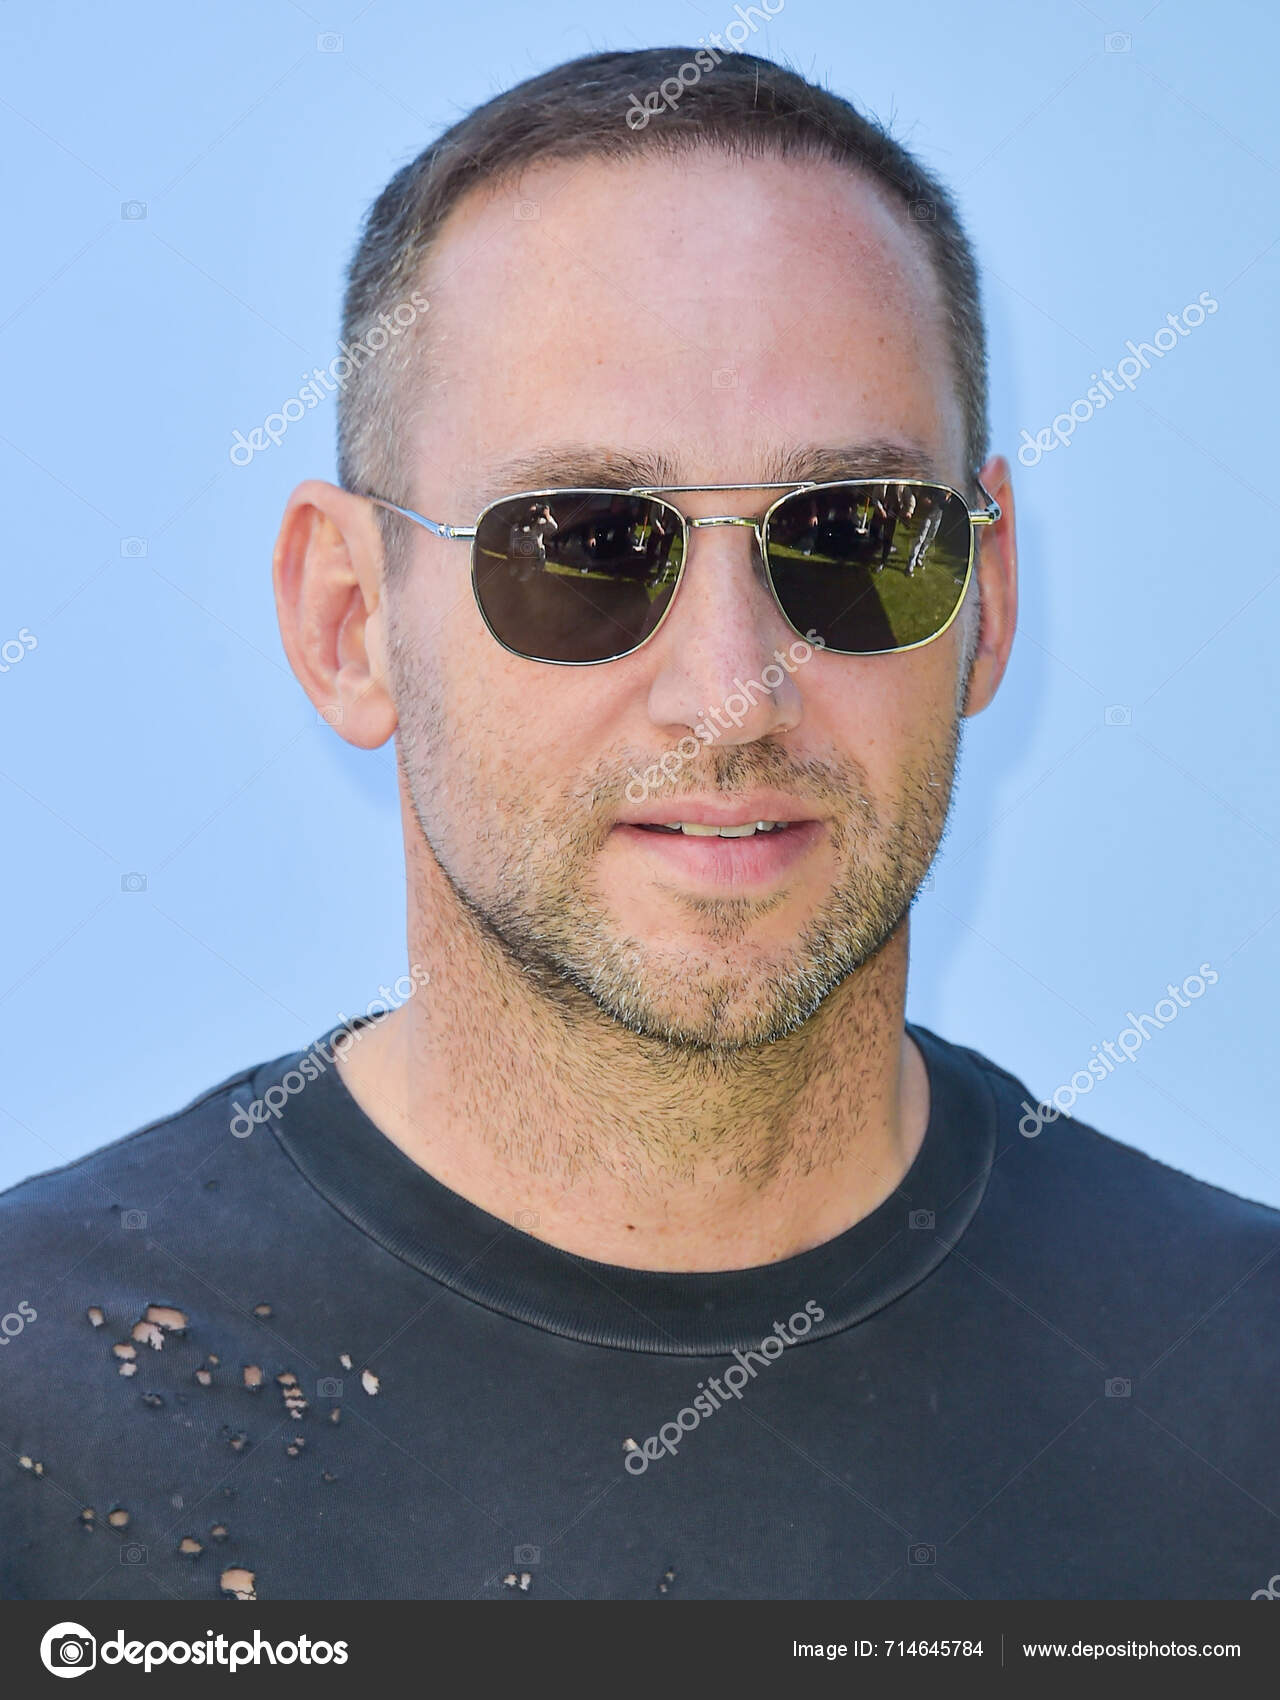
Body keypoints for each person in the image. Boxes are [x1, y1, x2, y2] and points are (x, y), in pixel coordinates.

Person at [2, 47, 1274, 1606]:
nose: (732, 694)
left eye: (854, 537)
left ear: (987, 604)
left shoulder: (1245, 1388)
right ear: (350, 623)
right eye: (585, 546)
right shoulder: (41, 1414)